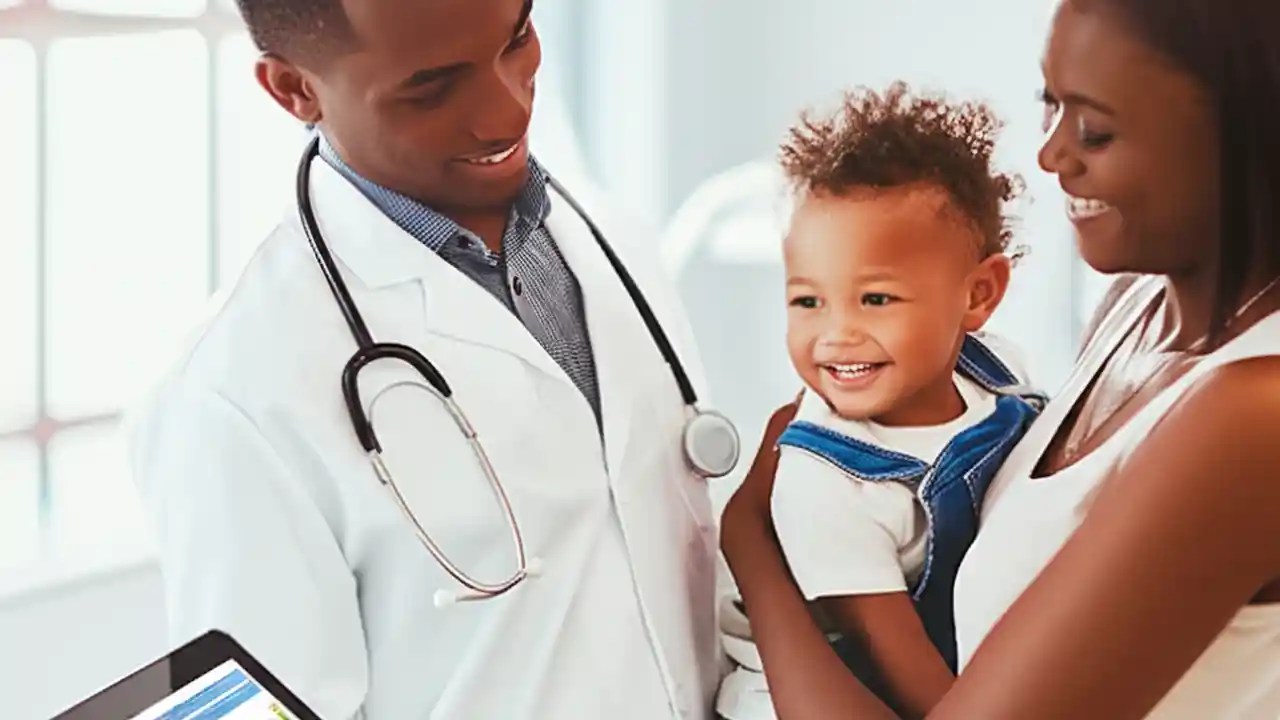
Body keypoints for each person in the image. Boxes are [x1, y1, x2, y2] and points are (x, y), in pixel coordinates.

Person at [127, 0, 728, 717]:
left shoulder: (611, 241)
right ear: (295, 90)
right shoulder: (229, 391)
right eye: (433, 86)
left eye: (518, 40)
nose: (505, 111)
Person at [720, 0, 1280, 717]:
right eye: (1048, 104)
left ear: (1242, 131)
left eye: (1094, 129)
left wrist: (755, 549)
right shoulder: (1134, 308)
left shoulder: (1252, 414)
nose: (1050, 155)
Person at [716, 85, 1044, 720]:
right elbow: (907, 669)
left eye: (875, 300)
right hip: (812, 687)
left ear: (978, 295)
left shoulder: (998, 373)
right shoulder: (825, 483)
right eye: (808, 301)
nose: (836, 334)